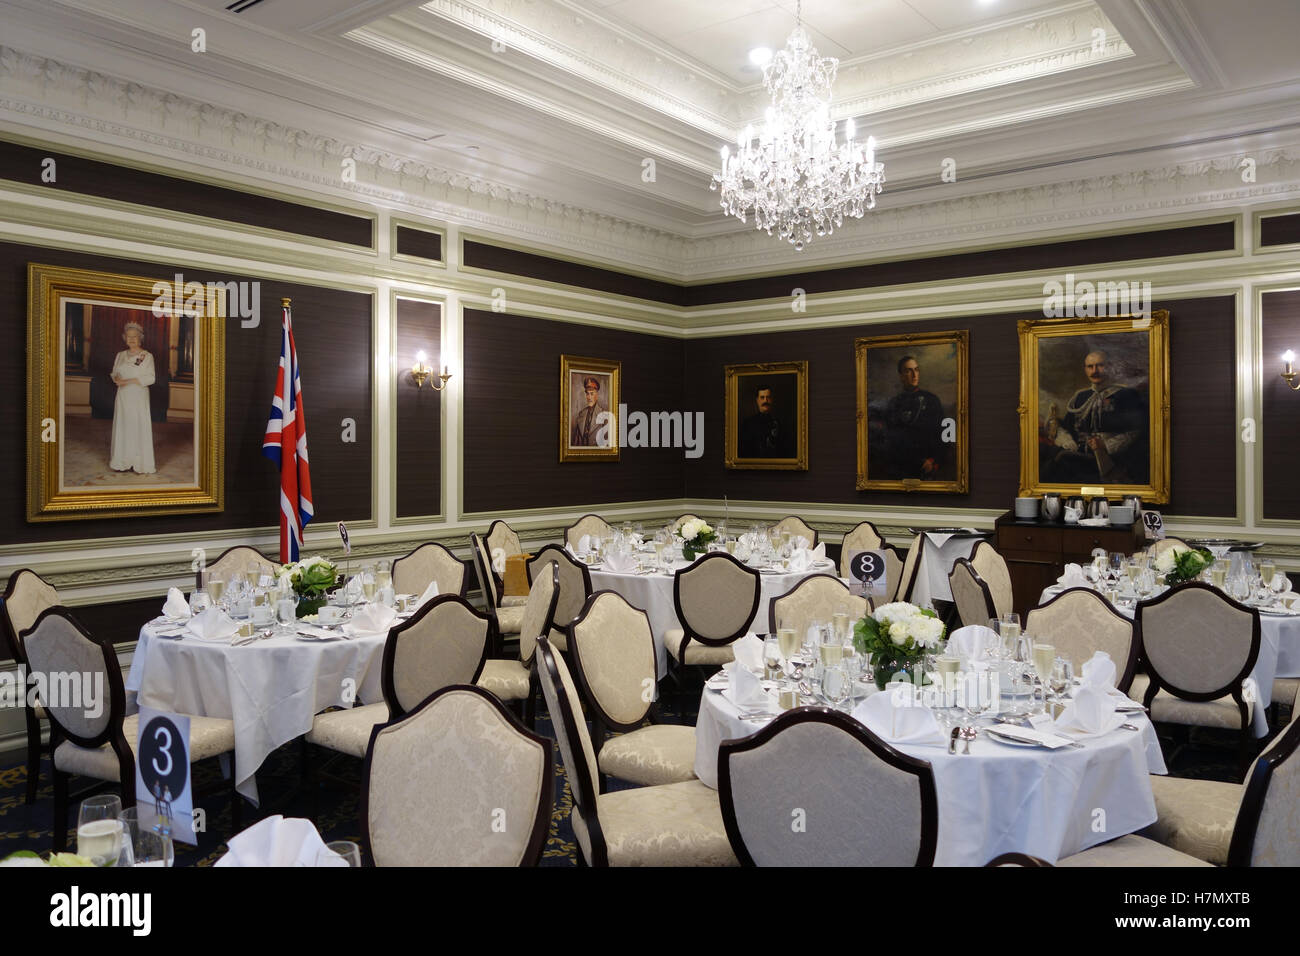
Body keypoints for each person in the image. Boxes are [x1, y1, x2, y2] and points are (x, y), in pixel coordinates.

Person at [1044, 349, 1147, 484]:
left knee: (1059, 461)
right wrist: (1068, 442)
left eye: (1100, 365)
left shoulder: (1126, 395)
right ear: (1085, 369)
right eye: (1090, 367)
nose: (1095, 371)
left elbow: (1136, 432)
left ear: (1109, 367)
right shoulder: (1080, 397)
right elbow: (1067, 427)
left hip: (1112, 461)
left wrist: (1105, 445)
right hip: (1080, 455)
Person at [881, 355, 946, 479]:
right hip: (901, 469)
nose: (914, 375)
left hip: (926, 467)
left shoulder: (932, 400)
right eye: (908, 371)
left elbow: (943, 435)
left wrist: (933, 461)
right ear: (901, 376)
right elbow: (889, 441)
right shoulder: (894, 404)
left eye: (916, 370)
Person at [109, 321, 156, 474]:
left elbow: (150, 378)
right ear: (125, 338)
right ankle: (122, 461)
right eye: (128, 337)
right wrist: (116, 378)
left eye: (134, 337)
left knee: (137, 426)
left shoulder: (147, 356)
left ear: (140, 338)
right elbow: (114, 372)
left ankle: (139, 463)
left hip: (138, 396)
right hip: (123, 396)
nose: (131, 340)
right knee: (124, 426)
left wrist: (126, 381)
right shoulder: (120, 355)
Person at [739, 383, 794, 458]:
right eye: (762, 397)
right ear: (757, 400)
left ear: (771, 400)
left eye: (768, 397)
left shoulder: (780, 424)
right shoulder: (747, 425)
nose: (765, 401)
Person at [570, 375, 608, 447]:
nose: (589, 397)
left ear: (597, 394)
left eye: (592, 393)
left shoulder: (604, 415)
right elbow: (576, 442)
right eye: (587, 394)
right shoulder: (581, 414)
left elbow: (606, 444)